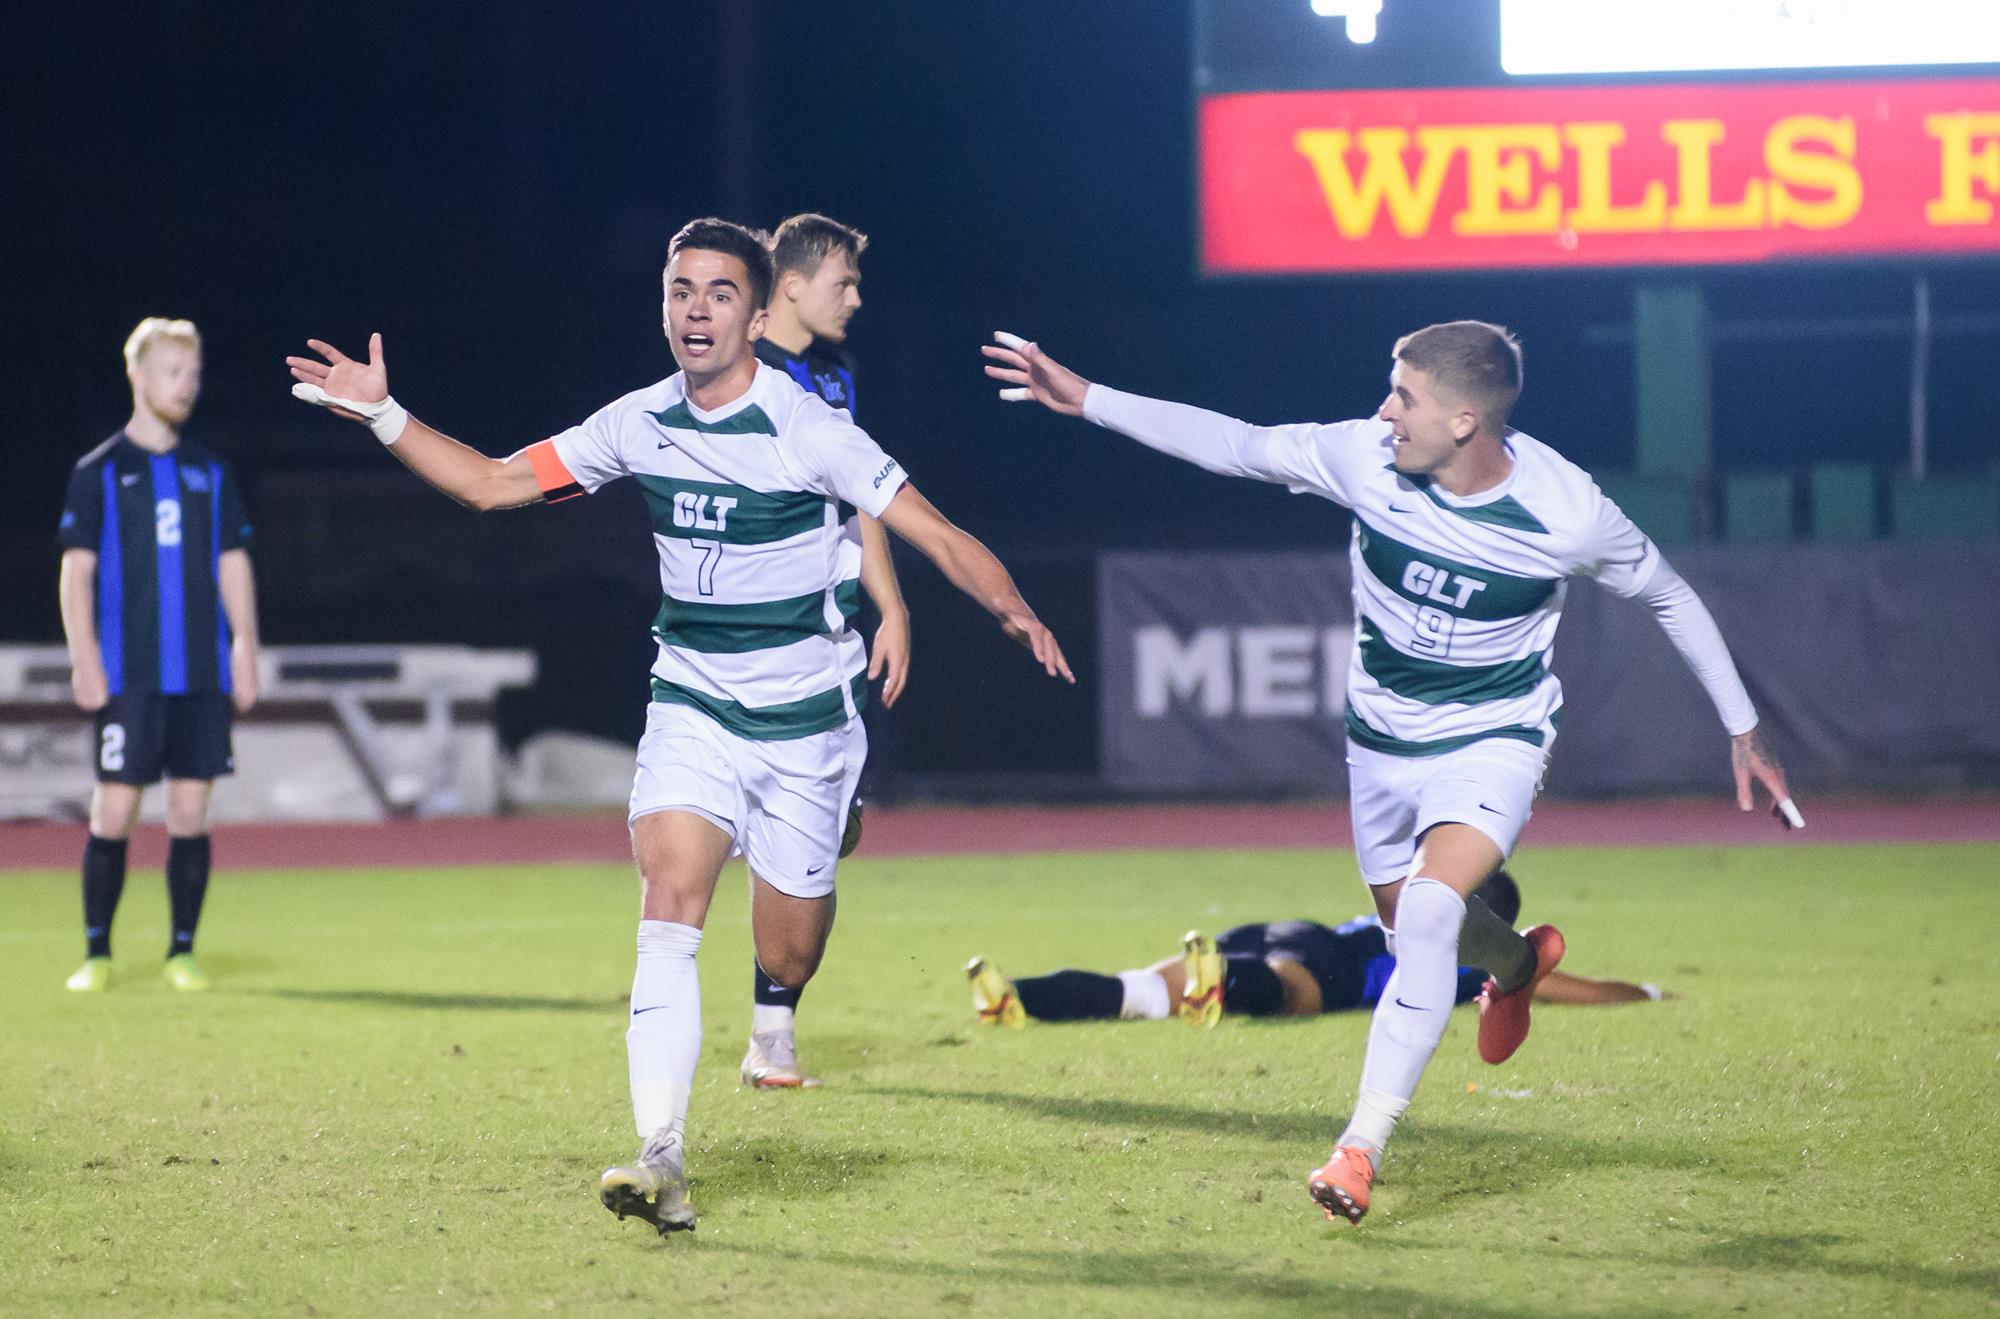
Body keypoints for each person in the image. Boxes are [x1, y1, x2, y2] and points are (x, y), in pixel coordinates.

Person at [288, 218, 1073, 1238]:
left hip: (802, 724)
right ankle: (660, 1152)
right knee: (669, 896)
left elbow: (929, 527)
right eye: (679, 289)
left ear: (754, 313)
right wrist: (383, 413)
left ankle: (809, 887)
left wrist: (1013, 610)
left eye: (715, 292)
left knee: (786, 952)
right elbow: (491, 482)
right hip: (692, 702)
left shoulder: (804, 426)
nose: (695, 308)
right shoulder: (638, 420)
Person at [983, 321, 1801, 1225]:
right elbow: (1237, 445)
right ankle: (1520, 964)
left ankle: (1359, 1148)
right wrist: (1088, 396)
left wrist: (1745, 726)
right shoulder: (1365, 457)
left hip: (1496, 734)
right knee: (1421, 928)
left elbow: (1667, 593)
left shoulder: (1567, 510)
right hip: (1378, 745)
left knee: (1426, 911)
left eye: (1402, 395)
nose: (1384, 409)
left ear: (1462, 419)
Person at [738, 212, 908, 1089]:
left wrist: (890, 603)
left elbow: (861, 496)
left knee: (833, 830)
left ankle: (773, 1018)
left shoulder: (836, 377)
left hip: (833, 634)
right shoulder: (735, 361)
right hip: (751, 638)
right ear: (792, 284)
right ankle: (771, 1038)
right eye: (844, 281)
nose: (857, 297)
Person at [56, 318, 261, 994]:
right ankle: (97, 952)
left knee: (189, 813)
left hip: (200, 675)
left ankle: (181, 952)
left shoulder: (210, 470)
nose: (186, 385)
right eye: (173, 372)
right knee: (113, 811)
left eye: (194, 374)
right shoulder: (99, 472)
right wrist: (84, 657)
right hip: (131, 673)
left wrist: (245, 645)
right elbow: (76, 574)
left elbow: (233, 563)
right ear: (138, 377)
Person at [965, 869, 1668, 1028]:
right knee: (1291, 992)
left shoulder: (1409, 896)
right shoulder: (1478, 960)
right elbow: (1573, 986)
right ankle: (1228, 983)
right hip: (1324, 965)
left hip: (1293, 927)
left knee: (1142, 993)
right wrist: (1649, 993)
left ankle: (1016, 995)